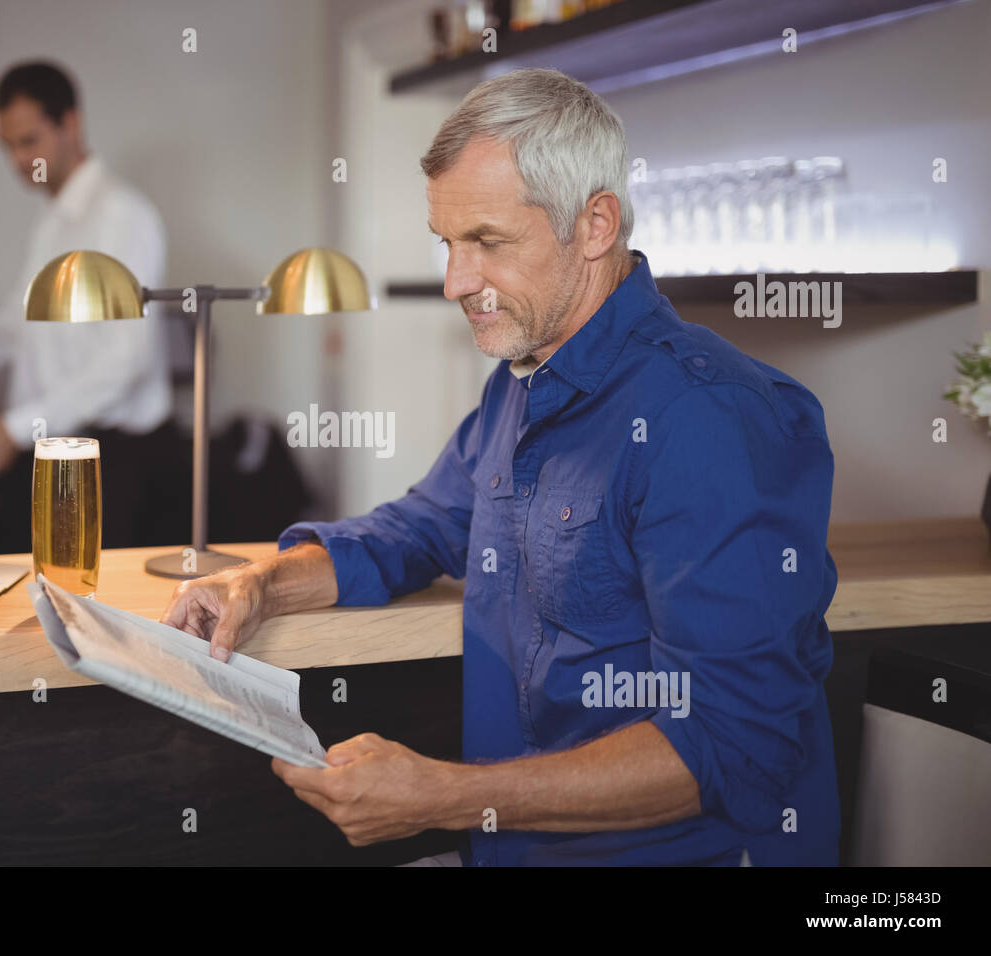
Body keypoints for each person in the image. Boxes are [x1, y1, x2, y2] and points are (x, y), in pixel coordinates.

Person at [160, 68, 840, 867]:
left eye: (487, 241)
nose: (456, 282)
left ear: (593, 225)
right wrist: (261, 583)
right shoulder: (521, 380)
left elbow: (735, 746)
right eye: (447, 243)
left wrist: (445, 797)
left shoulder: (711, 418)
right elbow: (420, 528)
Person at [0, 61, 181, 553]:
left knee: (92, 615)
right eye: (8, 146)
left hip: (112, 461)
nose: (17, 159)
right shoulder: (54, 219)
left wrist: (13, 430)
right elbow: (23, 315)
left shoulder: (123, 216)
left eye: (28, 141)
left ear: (69, 124)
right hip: (53, 446)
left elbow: (128, 359)